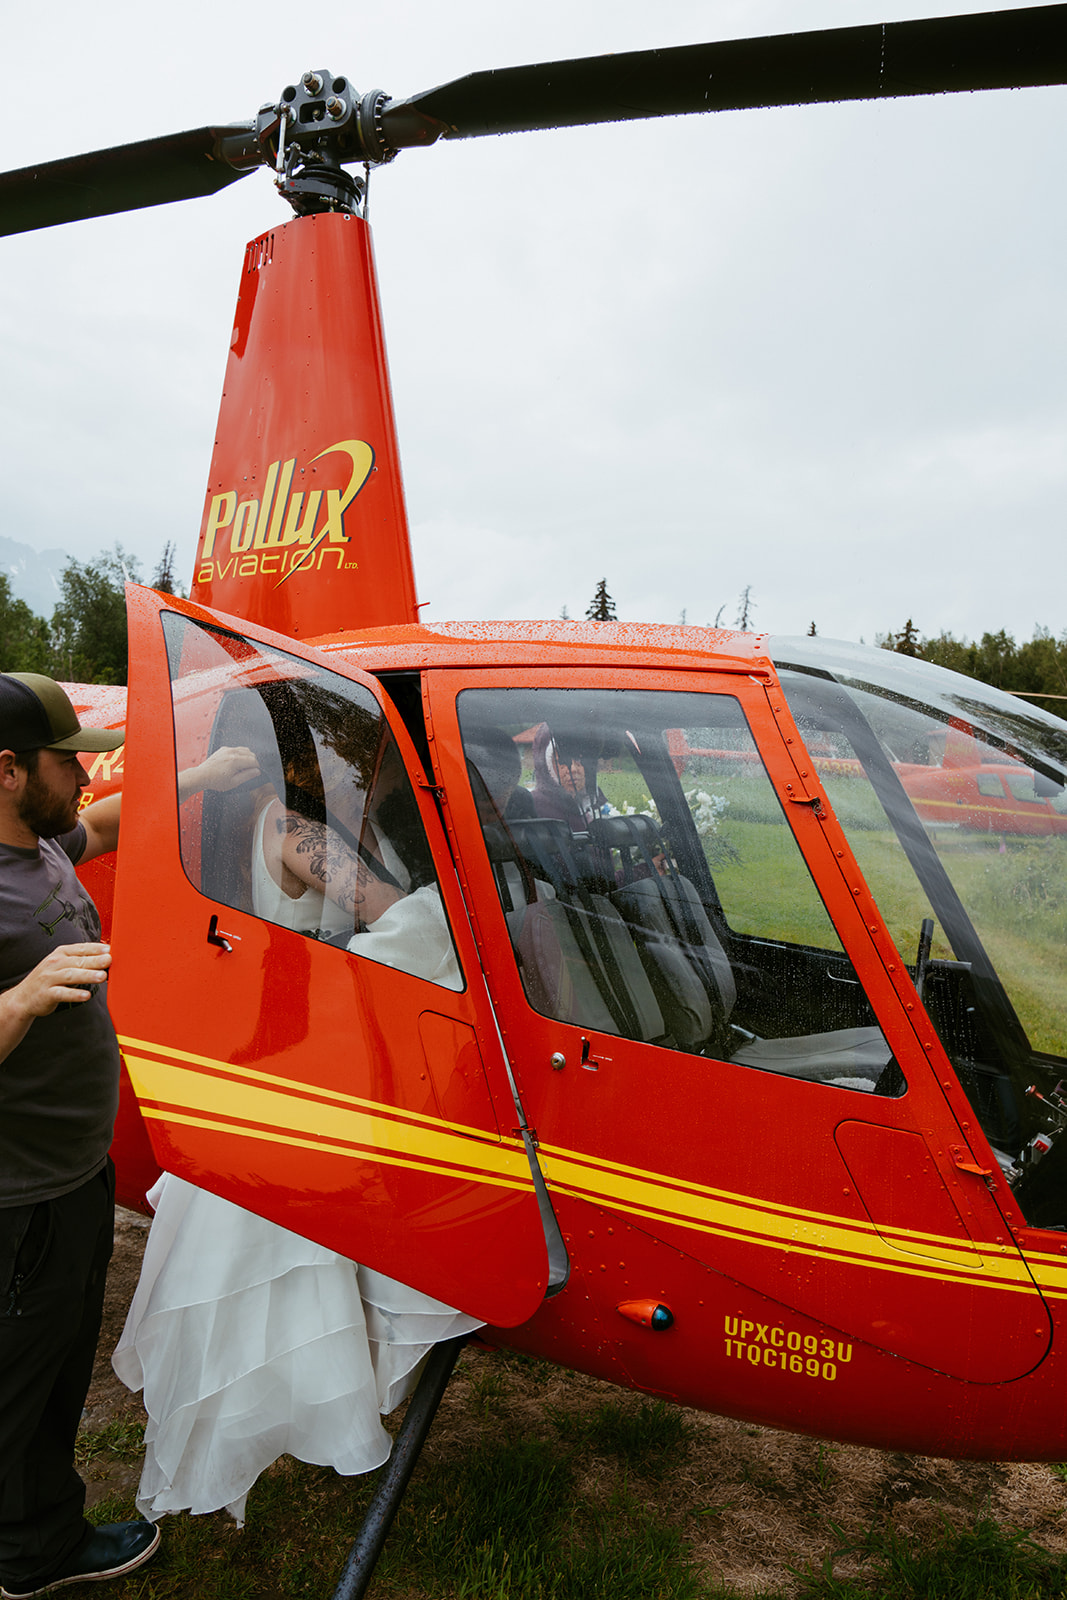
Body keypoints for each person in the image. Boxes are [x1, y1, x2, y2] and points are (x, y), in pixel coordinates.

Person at [113, 734, 477, 1524]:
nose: (360, 776)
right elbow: (398, 916)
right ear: (310, 766)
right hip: (307, 1048)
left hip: (306, 1039)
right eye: (350, 760)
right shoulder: (297, 831)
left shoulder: (292, 831)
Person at [0, 672, 257, 1600]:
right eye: (65, 762)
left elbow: (105, 825)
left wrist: (200, 778)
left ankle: (39, 1528)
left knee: (57, 1363)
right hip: (20, 1197)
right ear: (6, 770)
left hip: (73, 1172)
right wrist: (20, 1000)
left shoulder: (38, 842)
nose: (83, 776)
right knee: (20, 1380)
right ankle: (27, 1556)